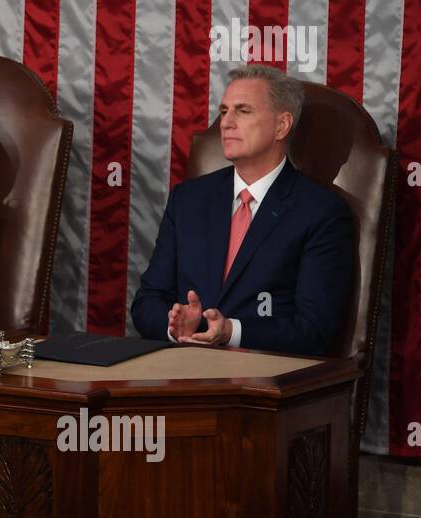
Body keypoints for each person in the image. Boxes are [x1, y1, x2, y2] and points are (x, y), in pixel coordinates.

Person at [131, 65, 354, 357]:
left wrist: (230, 332)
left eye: (243, 111)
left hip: (263, 384)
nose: (226, 123)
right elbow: (147, 301)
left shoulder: (321, 212)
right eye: (224, 111)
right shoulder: (188, 199)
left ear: (281, 126)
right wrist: (175, 328)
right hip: (181, 372)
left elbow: (315, 330)